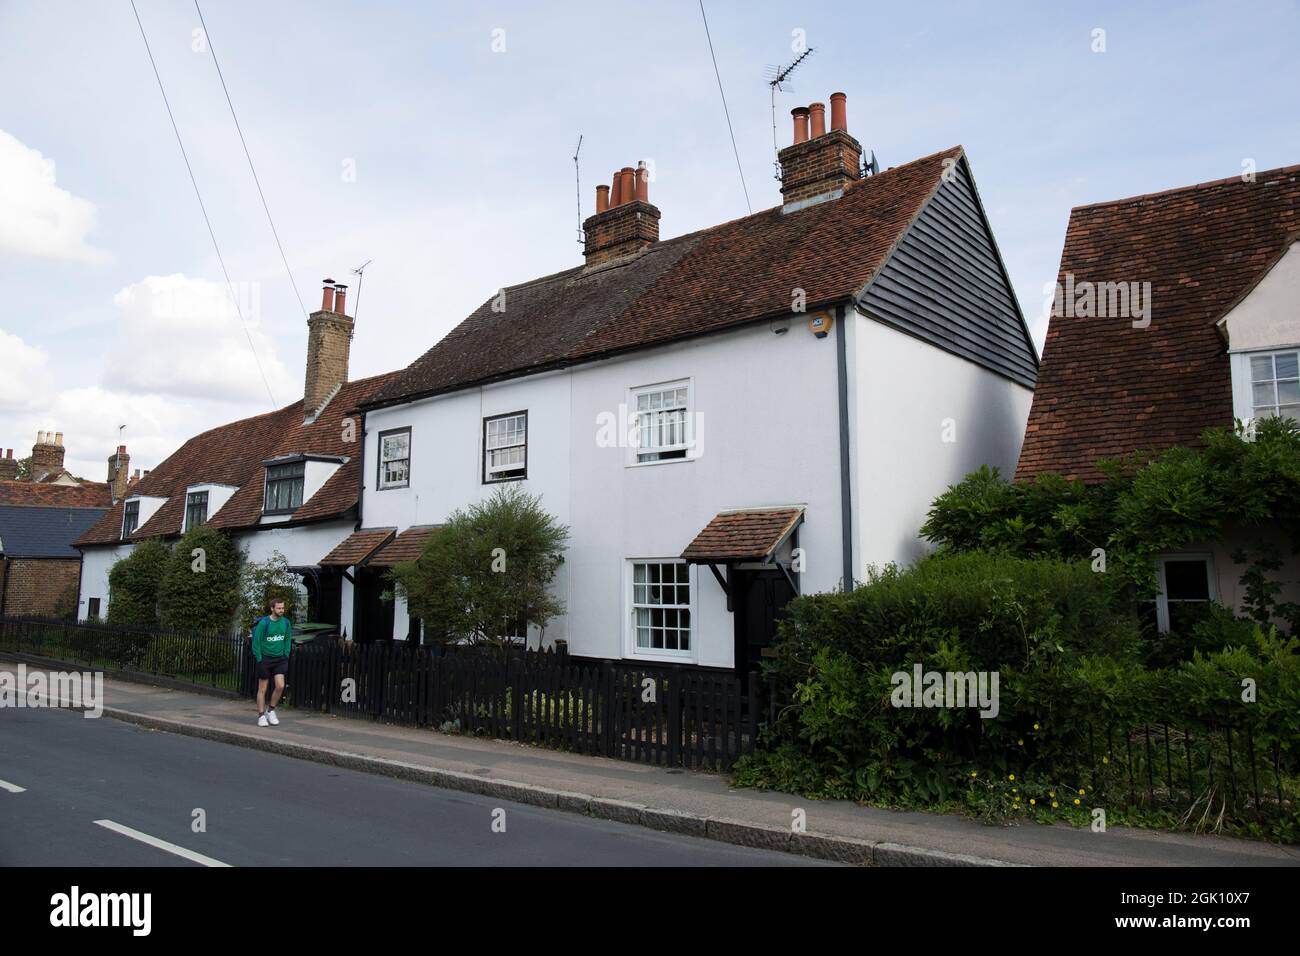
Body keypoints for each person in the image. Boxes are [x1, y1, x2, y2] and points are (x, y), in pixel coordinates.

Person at [251, 598, 292, 727]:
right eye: (279, 608)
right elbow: (256, 642)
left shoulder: (286, 622)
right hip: (265, 659)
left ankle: (271, 710)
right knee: (262, 688)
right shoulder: (264, 623)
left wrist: (286, 654)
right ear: (272, 608)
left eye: (283, 608)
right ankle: (261, 715)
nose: (281, 610)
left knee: (280, 686)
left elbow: (287, 639)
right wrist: (259, 658)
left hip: (280, 659)